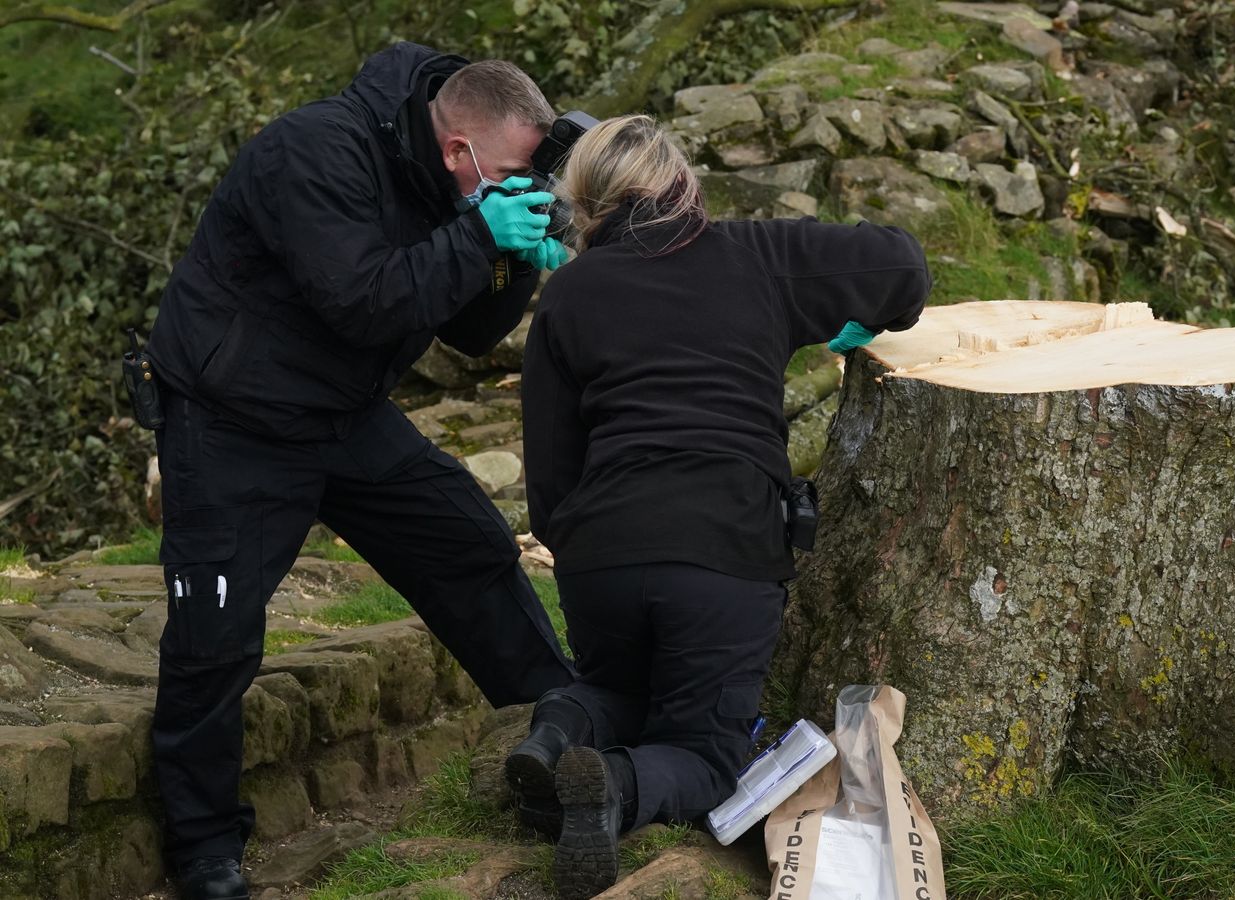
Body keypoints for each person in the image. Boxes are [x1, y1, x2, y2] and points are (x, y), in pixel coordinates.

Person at [144, 43, 577, 900]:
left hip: (339, 409)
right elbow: (363, 300)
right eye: (509, 174)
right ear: (459, 151)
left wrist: (518, 253)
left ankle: (570, 737)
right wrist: (477, 231)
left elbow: (468, 332)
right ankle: (203, 852)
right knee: (215, 637)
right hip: (233, 415)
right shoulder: (311, 152)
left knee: (469, 543)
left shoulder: (447, 180)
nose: (515, 187)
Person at [505, 114, 930, 898]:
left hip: (601, 553)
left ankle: (557, 731)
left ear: (589, 203)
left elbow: (550, 483)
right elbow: (902, 264)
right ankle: (614, 791)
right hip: (725, 547)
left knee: (614, 690)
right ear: (679, 182)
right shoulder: (756, 254)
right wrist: (862, 321)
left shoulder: (566, 295)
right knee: (706, 755)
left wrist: (594, 546)